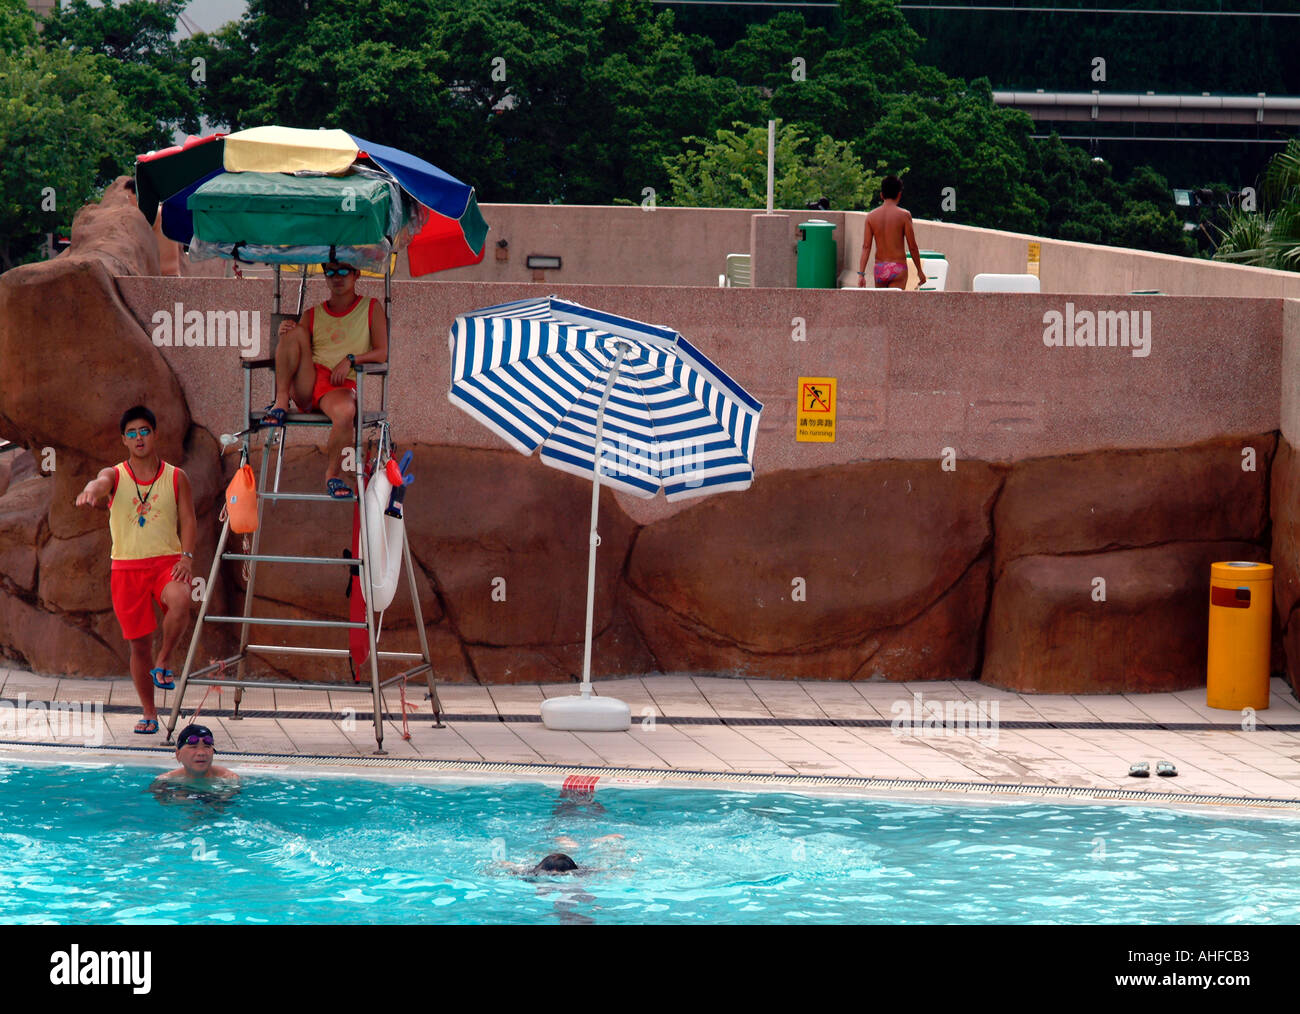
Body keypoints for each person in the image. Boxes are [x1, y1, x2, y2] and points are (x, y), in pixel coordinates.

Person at [75, 406, 196, 735]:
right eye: (132, 433)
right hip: (127, 569)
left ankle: (166, 659)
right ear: (124, 440)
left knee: (182, 598)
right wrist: (91, 491)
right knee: (139, 645)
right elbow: (100, 482)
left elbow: (188, 519)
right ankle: (149, 712)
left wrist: (186, 557)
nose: (139, 437)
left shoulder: (175, 476)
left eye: (144, 431)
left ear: (155, 435)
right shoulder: (116, 475)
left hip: (166, 563)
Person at [260, 261, 389, 499]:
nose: (336, 277)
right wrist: (285, 334)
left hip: (339, 386)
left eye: (342, 271)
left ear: (356, 273)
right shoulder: (312, 313)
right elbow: (294, 350)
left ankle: (332, 475)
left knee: (345, 412)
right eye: (330, 271)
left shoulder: (371, 307)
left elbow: (382, 353)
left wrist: (351, 359)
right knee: (292, 332)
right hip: (308, 382)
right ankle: (280, 402)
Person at [858, 175, 927, 290]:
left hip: (880, 268)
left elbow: (866, 247)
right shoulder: (904, 215)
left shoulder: (871, 217)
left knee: (882, 306)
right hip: (898, 268)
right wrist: (919, 271)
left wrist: (861, 274)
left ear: (881, 195)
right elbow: (912, 247)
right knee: (896, 306)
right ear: (899, 194)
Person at [155, 723, 239, 783]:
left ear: (213, 752)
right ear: (178, 754)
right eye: (193, 747)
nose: (201, 753)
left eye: (206, 747)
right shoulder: (165, 781)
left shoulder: (228, 779)